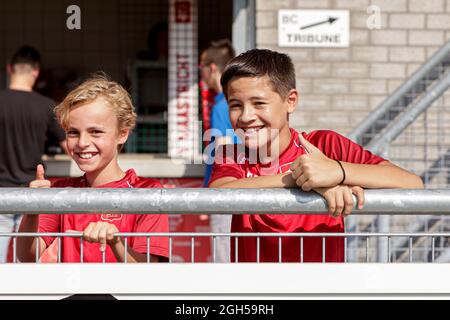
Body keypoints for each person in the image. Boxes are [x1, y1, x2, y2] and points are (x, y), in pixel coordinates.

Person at [209, 49, 424, 263]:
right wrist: (300, 179)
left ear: (290, 101)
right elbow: (218, 195)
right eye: (236, 105)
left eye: (259, 103)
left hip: (322, 289)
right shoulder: (232, 154)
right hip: (255, 290)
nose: (246, 116)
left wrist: (337, 172)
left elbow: (412, 184)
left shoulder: (325, 145)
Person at [17, 75, 169, 263]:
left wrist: (116, 243)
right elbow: (27, 255)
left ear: (122, 134)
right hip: (71, 292)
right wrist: (32, 210)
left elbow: (150, 269)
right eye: (73, 132)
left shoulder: (148, 193)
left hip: (122, 293)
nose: (82, 143)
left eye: (95, 132)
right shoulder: (60, 192)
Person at [0, 45, 66, 263]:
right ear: (36, 72)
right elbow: (71, 145)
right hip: (32, 195)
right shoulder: (46, 106)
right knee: (28, 265)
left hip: (2, 193)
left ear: (10, 68)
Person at [199, 39, 238, 262]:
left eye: (201, 68)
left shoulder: (223, 106)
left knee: (223, 257)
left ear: (212, 68)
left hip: (225, 193)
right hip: (238, 192)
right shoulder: (229, 103)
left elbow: (221, 156)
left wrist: (208, 191)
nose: (201, 75)